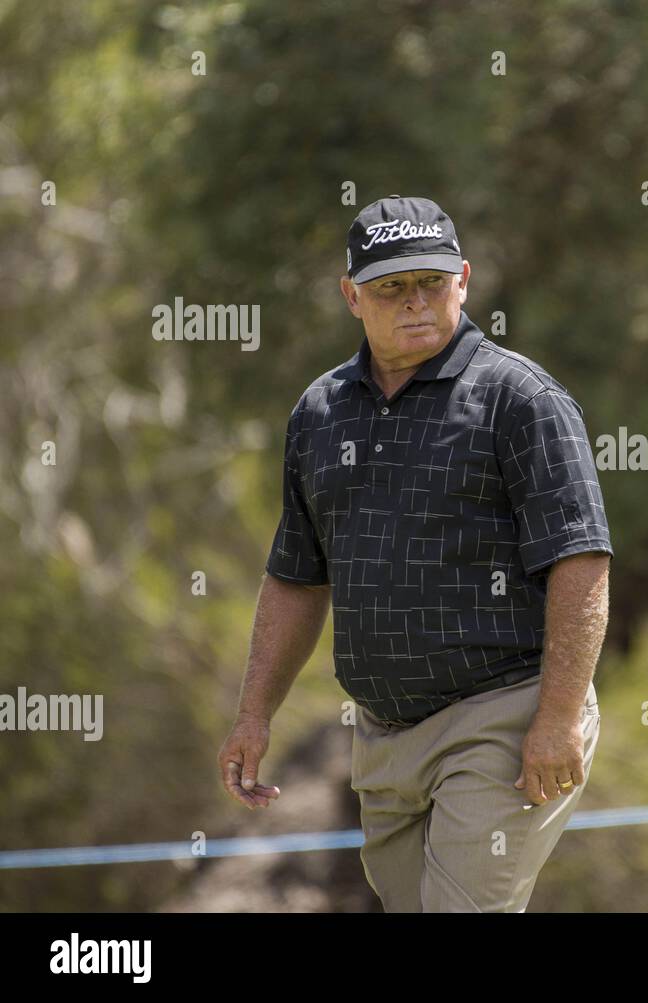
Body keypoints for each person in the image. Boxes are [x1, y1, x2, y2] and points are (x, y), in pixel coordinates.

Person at [216, 194, 614, 912]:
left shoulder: (520, 399)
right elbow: (297, 579)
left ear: (463, 278)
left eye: (431, 281)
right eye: (391, 287)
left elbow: (581, 563)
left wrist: (555, 717)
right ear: (351, 296)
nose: (415, 302)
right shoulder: (319, 412)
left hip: (506, 713)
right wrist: (254, 713)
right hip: (383, 737)